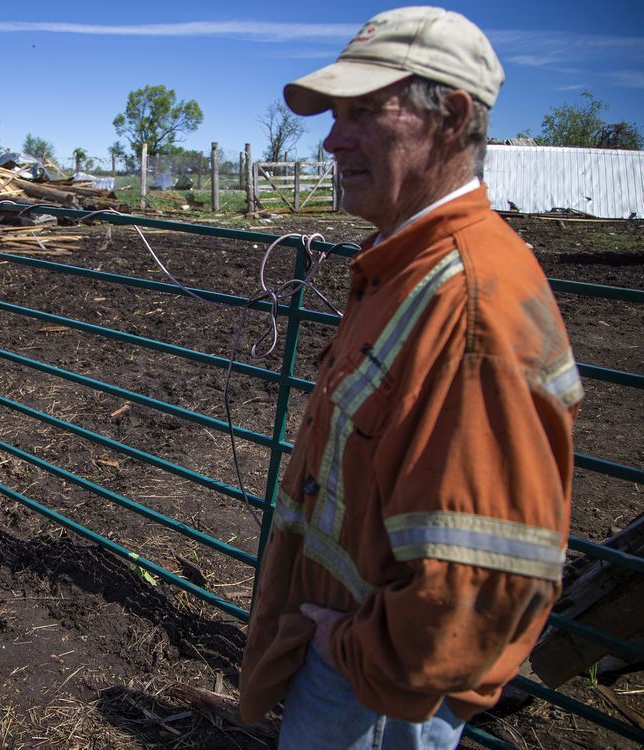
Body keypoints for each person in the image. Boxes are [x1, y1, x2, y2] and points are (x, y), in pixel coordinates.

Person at [239, 7, 583, 749]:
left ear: (453, 118)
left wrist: (352, 652)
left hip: (377, 694)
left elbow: (483, 582)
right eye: (334, 115)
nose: (332, 138)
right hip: (351, 656)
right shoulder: (405, 268)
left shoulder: (468, 310)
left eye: (363, 112)